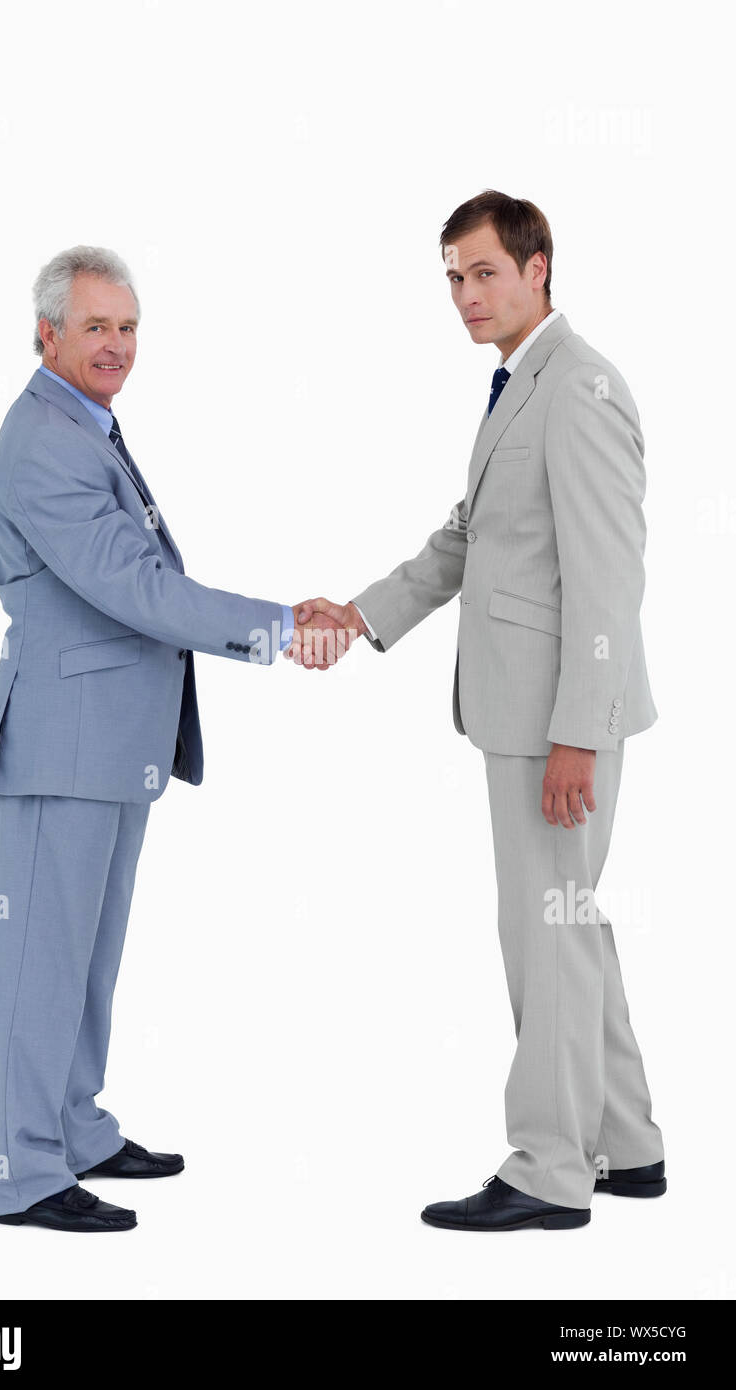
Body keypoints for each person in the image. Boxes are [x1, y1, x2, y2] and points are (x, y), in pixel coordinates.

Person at [289, 189, 666, 1232]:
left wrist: (576, 735)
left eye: (482, 271)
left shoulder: (577, 388)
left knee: (541, 933)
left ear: (537, 265)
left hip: (551, 717)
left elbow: (606, 578)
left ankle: (549, 1168)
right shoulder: (517, 383)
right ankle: (625, 1143)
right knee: (569, 922)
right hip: (520, 709)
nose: (463, 294)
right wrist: (357, 614)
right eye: (451, 277)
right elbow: (467, 539)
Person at [0, 245, 340, 1232]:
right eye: (94, 326)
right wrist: (276, 625)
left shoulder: (84, 425)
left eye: (127, 326)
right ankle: (20, 1170)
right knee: (41, 964)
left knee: (87, 956)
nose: (116, 345)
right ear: (45, 334)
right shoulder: (43, 442)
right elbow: (134, 589)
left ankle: (76, 1127)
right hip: (62, 744)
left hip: (104, 743)